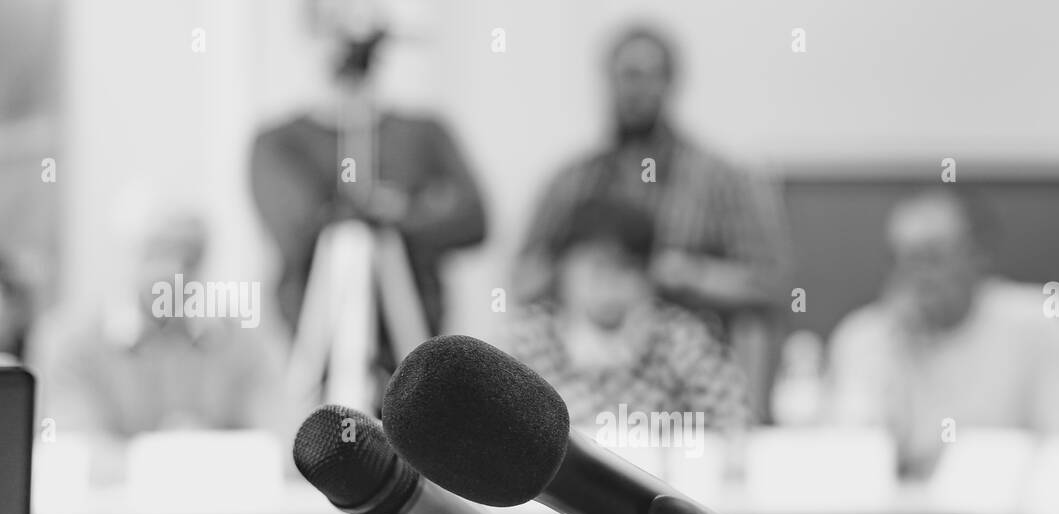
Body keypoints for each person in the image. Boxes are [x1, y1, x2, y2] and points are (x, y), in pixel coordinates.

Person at [514, 24, 789, 419]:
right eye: (624, 75)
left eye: (646, 76)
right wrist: (583, 276)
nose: (633, 89)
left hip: (682, 367)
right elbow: (524, 278)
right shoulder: (573, 180)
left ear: (670, 83)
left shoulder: (721, 180)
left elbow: (771, 281)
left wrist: (689, 275)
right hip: (583, 364)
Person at [249, 14, 485, 356]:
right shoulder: (277, 142)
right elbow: (300, 229)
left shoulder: (426, 132)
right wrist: (412, 207)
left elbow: (473, 219)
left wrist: (396, 214)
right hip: (315, 340)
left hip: (414, 339)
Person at [827, 190, 1059, 476]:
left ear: (978, 255)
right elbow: (851, 459)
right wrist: (893, 351)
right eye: (903, 260)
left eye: (932, 256)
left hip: (1011, 512)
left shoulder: (1040, 322)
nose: (918, 275)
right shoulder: (864, 337)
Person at [31, 193, 290, 439]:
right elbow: (78, 447)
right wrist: (171, 455)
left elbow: (279, 434)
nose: (174, 269)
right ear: (129, 255)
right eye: (159, 252)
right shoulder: (70, 340)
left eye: (189, 256)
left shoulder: (241, 342)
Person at [510, 197, 750, 436]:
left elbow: (734, 422)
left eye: (626, 267)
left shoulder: (679, 340)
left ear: (649, 275)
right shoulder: (526, 342)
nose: (610, 283)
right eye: (598, 267)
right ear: (562, 269)